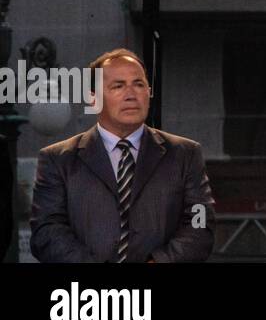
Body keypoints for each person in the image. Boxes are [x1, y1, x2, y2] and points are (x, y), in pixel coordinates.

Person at [30, 48, 215, 263]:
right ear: (93, 99)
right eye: (118, 86)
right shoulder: (58, 159)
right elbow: (46, 231)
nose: (131, 94)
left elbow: (201, 223)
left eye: (139, 84)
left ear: (149, 92)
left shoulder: (186, 154)